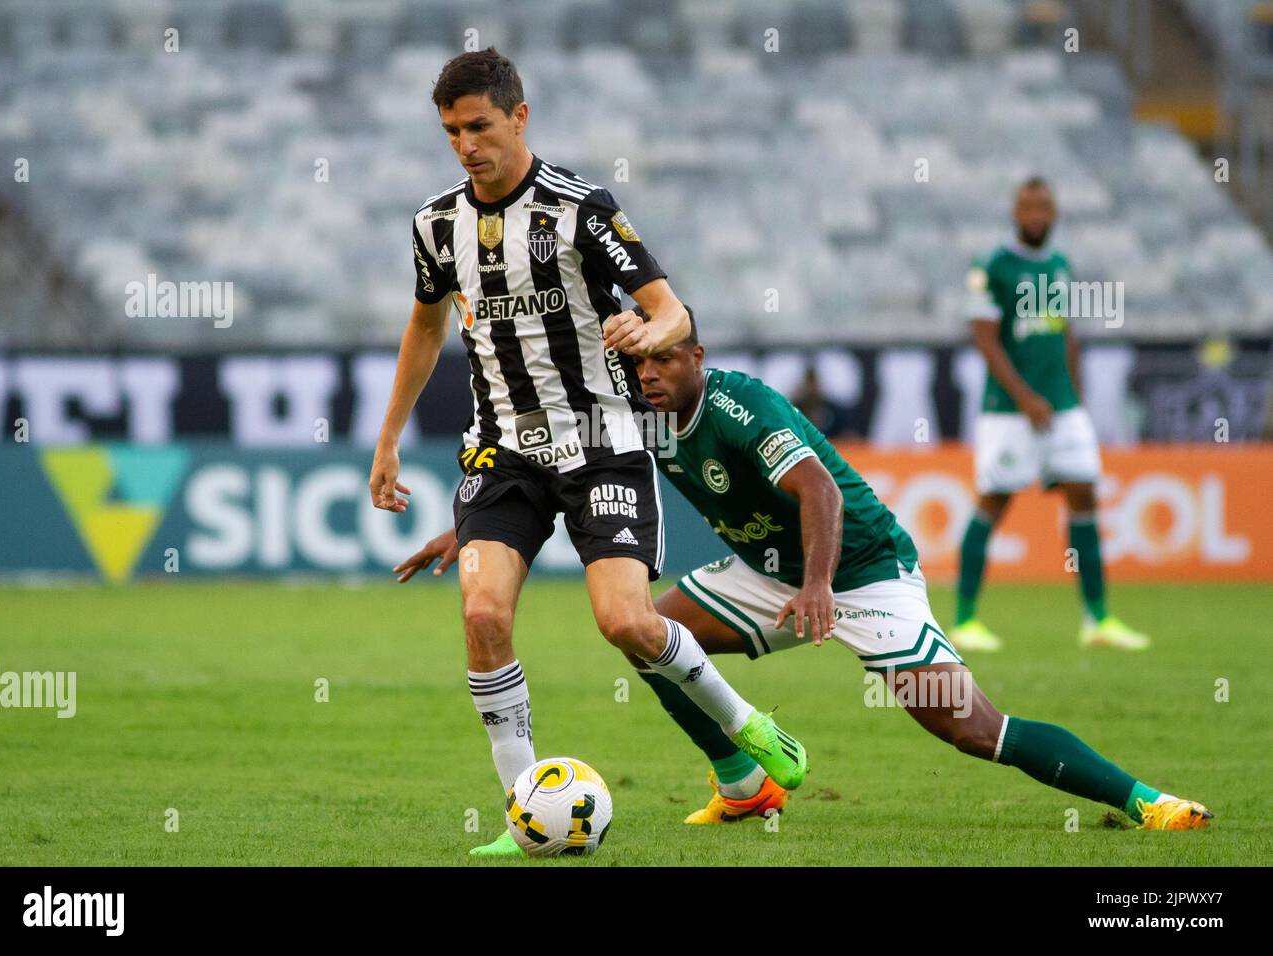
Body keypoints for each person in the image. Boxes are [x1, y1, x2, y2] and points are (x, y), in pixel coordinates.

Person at [399, 311, 1212, 832]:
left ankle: (1145, 801)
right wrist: (466, 527)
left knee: (968, 726)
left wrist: (820, 585)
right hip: (765, 573)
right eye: (639, 364)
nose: (648, 374)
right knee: (646, 631)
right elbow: (549, 478)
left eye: (663, 359)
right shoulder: (637, 420)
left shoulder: (737, 403)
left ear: (696, 355)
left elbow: (815, 486)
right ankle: (745, 782)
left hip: (860, 572)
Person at [370, 49, 808, 858]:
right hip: (500, 451)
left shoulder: (580, 209)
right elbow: (426, 324)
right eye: (452, 132)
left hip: (601, 443)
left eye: (480, 127)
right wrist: (389, 434)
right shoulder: (436, 223)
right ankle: (522, 810)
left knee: (627, 624)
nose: (467, 145)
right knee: (482, 615)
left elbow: (672, 309)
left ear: (519, 116)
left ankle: (747, 724)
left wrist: (651, 330)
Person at [952, 177, 1150, 653]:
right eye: (1028, 206)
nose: (1036, 214)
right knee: (995, 500)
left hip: (1062, 407)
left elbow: (1066, 333)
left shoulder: (1061, 265)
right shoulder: (992, 266)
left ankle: (1097, 618)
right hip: (1008, 411)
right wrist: (1024, 397)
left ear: (1054, 212)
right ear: (1015, 212)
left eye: (1044, 206)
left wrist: (1074, 394)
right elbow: (984, 337)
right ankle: (964, 620)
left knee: (1084, 496)